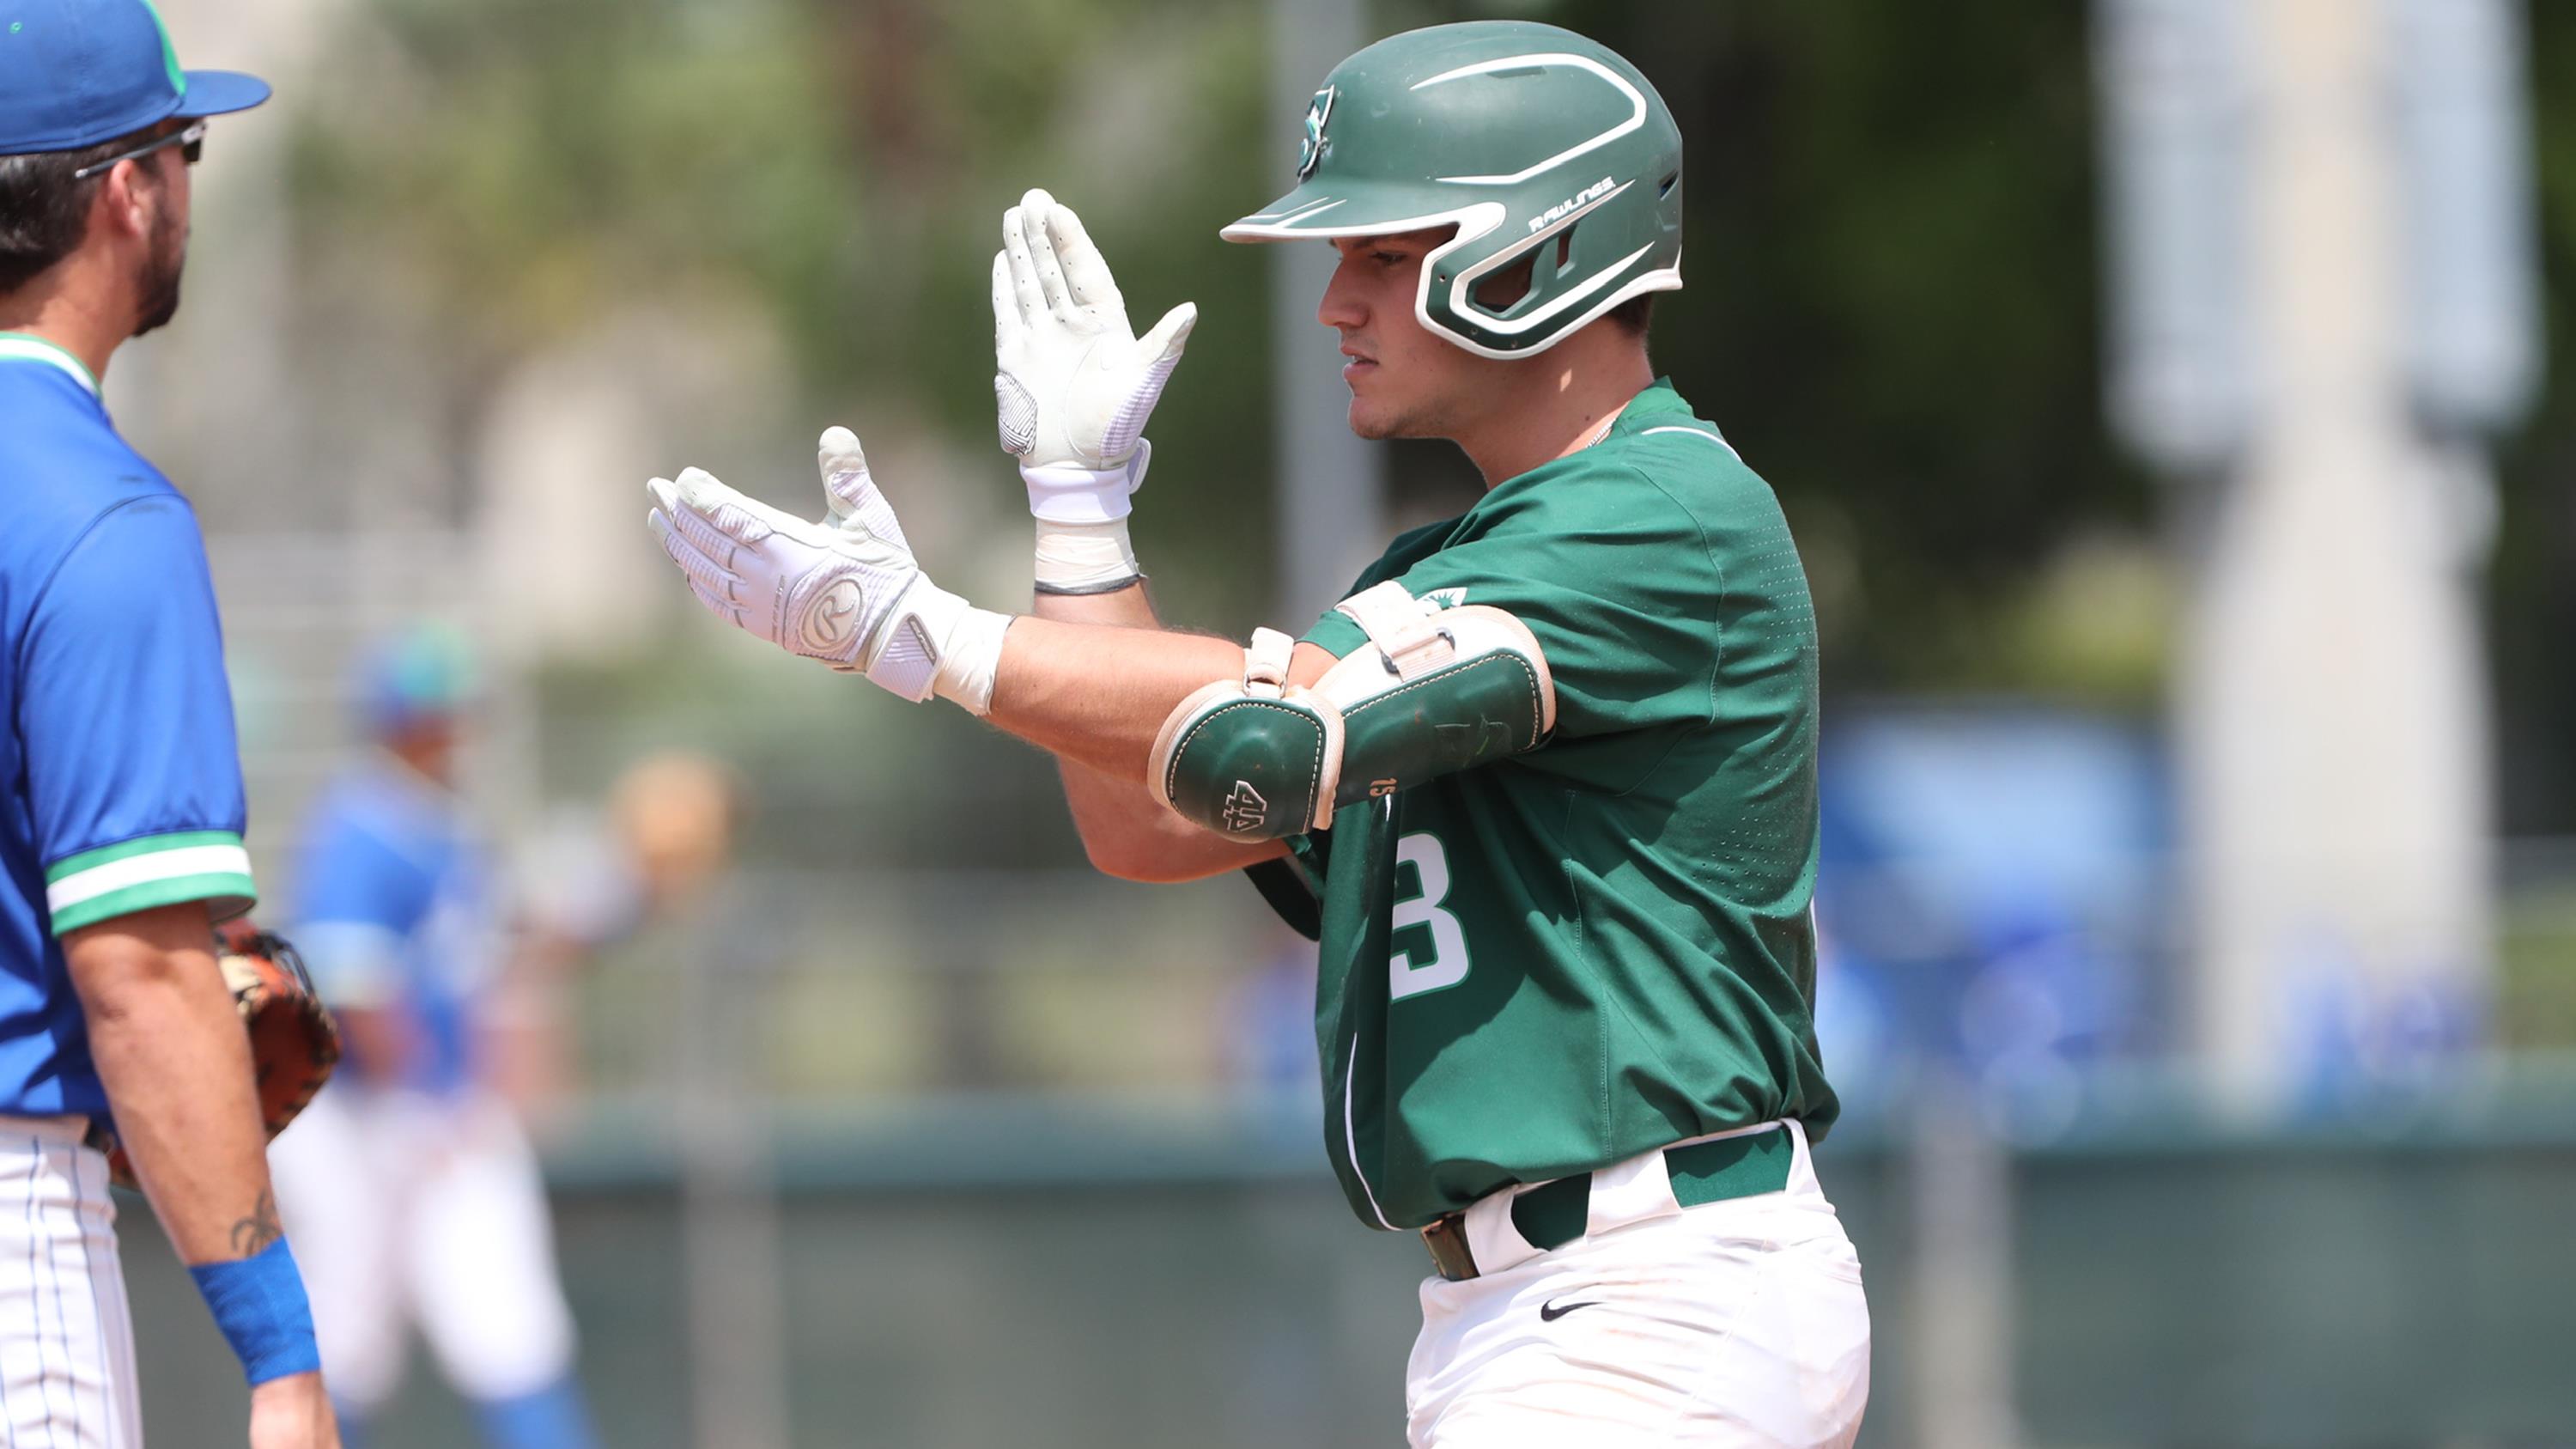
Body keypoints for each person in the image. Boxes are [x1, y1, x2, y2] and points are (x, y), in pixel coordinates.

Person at [645, 19, 1868, 1446]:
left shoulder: (1660, 515)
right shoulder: (1450, 568)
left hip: (1650, 1300)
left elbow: (1263, 740)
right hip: (1545, 1311)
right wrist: (1081, 512)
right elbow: (1152, 815)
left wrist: (918, 637)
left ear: (1543, 252)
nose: (1336, 302)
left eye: (1386, 256)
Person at [0, 2, 341, 1443]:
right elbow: (139, 974)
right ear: (128, 188)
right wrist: (283, 1362)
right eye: (184, 144)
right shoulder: (99, 519)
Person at [264, 629, 596, 1449]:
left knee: (509, 1331)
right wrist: (424, 1100)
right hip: (359, 1123)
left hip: (437, 1113)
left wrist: (621, 887)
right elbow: (353, 986)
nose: (461, 728)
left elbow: (502, 953)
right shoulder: (359, 826)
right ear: (403, 723)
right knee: (344, 1344)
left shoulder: (444, 827)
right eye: (445, 713)